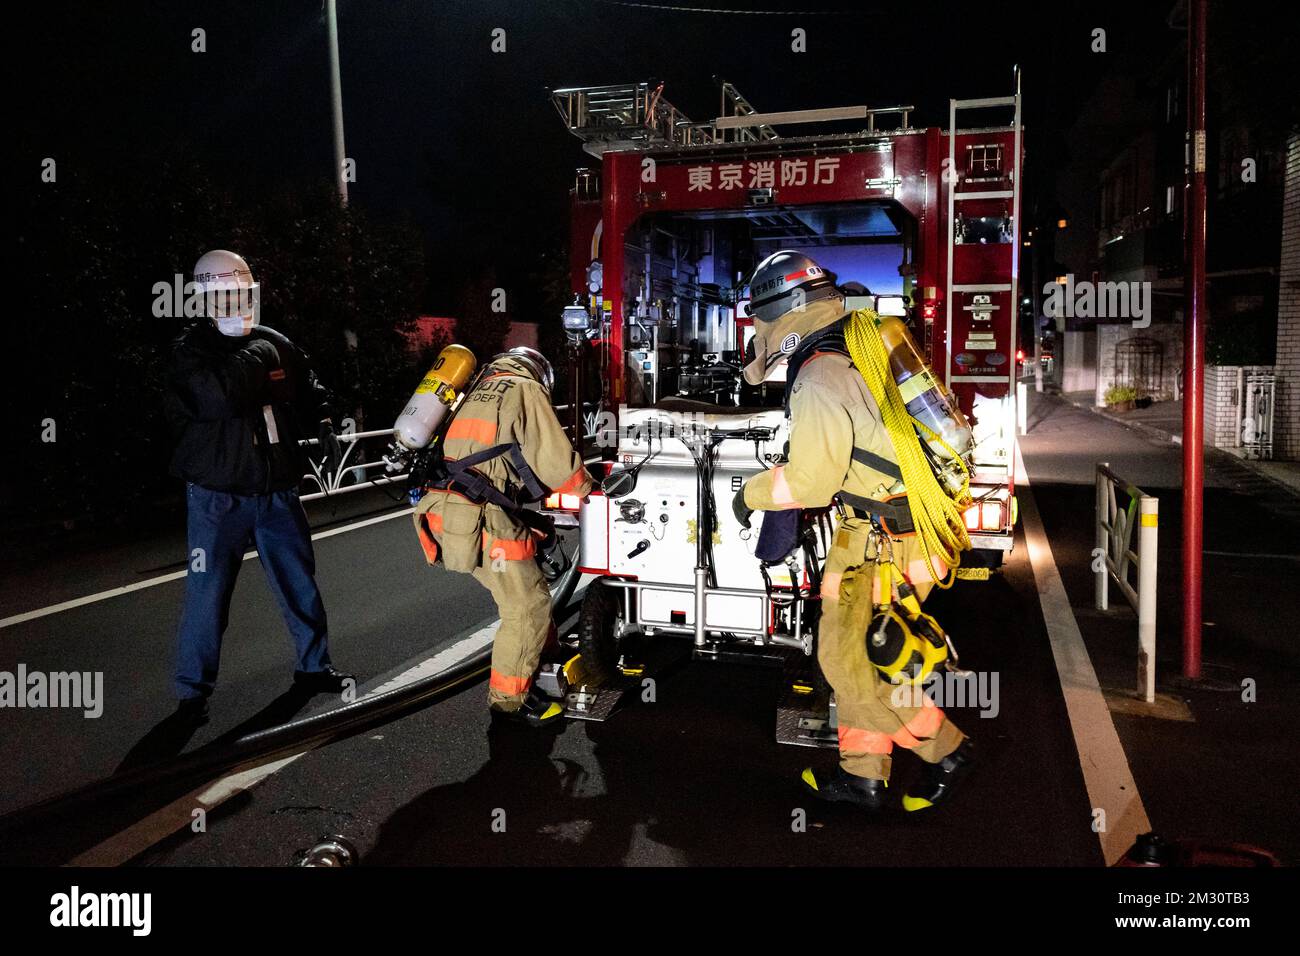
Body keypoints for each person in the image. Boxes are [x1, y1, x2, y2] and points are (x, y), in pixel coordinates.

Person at [733, 251, 975, 812]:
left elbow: (810, 483)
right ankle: (864, 775)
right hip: (907, 530)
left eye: (761, 318)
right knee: (861, 657)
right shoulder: (862, 340)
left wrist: (750, 495)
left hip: (878, 543)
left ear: (787, 310)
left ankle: (946, 751)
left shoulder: (818, 373)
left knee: (855, 662)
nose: (760, 332)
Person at [165, 249, 352, 722]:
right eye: (226, 296)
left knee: (299, 583)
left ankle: (314, 666)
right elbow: (218, 396)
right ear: (204, 300)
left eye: (243, 294)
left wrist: (325, 419)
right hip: (218, 494)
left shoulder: (272, 340)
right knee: (208, 593)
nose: (237, 305)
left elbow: (308, 385)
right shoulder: (192, 351)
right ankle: (192, 693)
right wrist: (261, 356)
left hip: (276, 489)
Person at [412, 346, 593, 728]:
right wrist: (589, 490)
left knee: (528, 589)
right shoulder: (525, 388)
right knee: (526, 607)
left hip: (443, 507)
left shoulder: (476, 385)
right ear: (539, 373)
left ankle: (545, 655)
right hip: (478, 515)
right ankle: (509, 700)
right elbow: (554, 460)